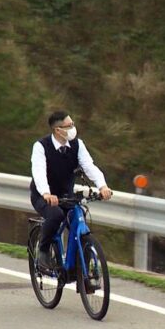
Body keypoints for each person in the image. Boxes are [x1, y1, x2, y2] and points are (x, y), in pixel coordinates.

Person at [30, 111, 112, 268]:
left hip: (67, 195)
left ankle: (82, 270)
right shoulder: (41, 146)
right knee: (56, 215)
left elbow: (89, 166)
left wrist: (102, 185)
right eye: (69, 126)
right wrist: (46, 193)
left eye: (73, 124)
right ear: (58, 130)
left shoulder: (77, 145)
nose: (73, 128)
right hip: (44, 195)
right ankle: (44, 250)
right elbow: (38, 171)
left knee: (78, 217)